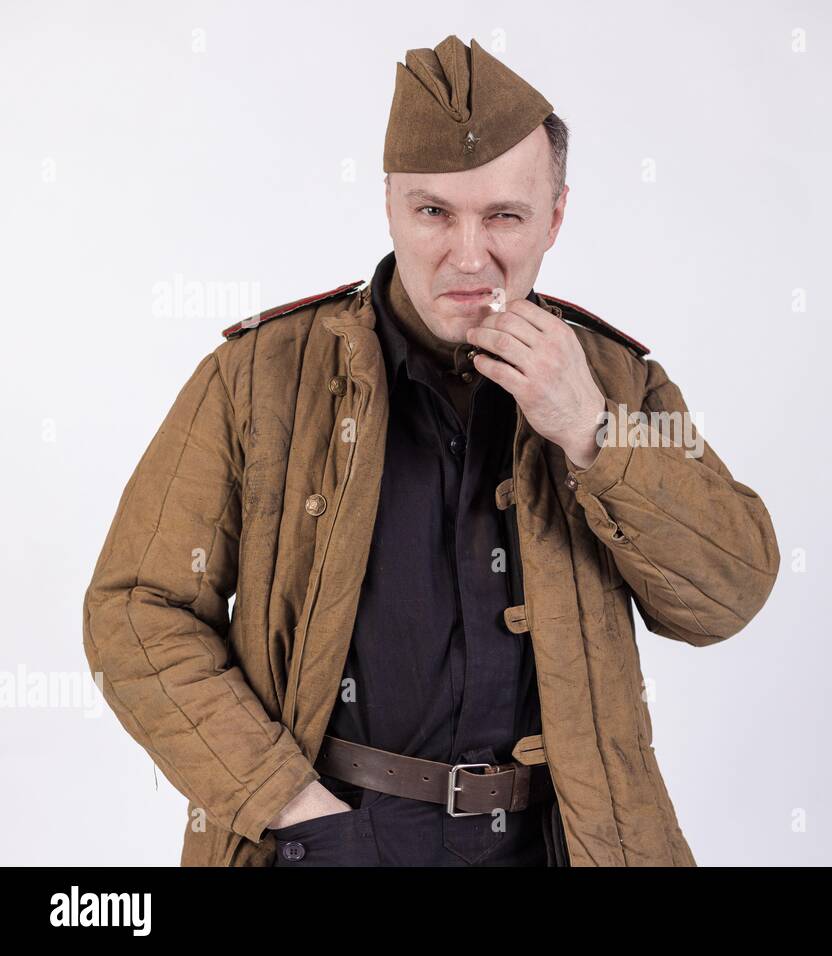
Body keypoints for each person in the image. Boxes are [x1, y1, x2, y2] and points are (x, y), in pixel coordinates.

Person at [82, 34, 780, 867]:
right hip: (331, 839)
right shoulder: (257, 378)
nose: (468, 255)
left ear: (556, 216)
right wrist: (289, 805)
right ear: (389, 205)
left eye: (505, 216)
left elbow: (728, 595)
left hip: (558, 843)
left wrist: (596, 434)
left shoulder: (620, 385)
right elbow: (135, 610)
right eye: (434, 212)